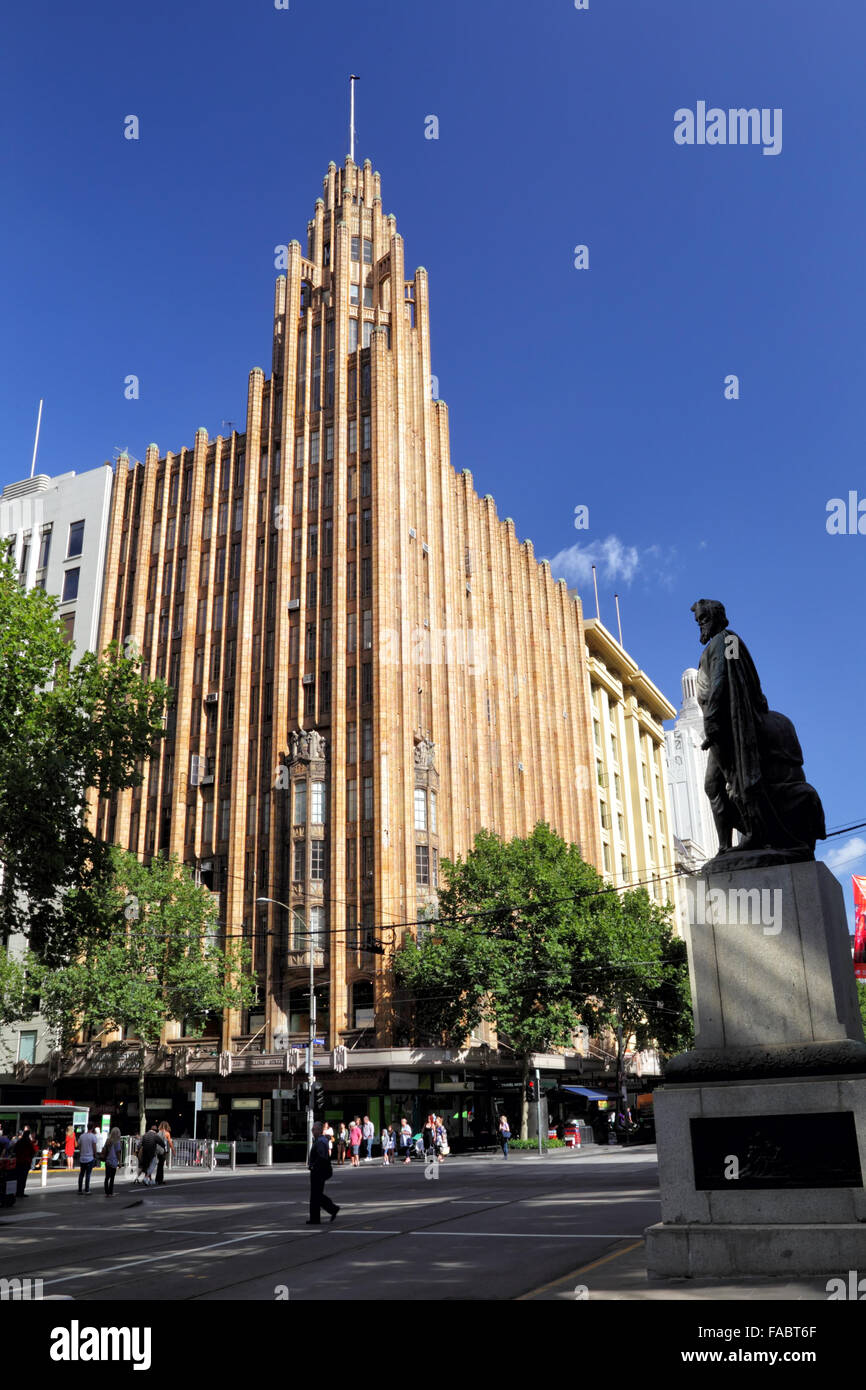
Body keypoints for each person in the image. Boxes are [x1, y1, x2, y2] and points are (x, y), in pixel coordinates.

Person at [306, 1121, 340, 1226]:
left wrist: (313, 1165)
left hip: (318, 1171)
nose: (312, 1130)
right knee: (317, 1195)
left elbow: (322, 1157)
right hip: (319, 1171)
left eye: (314, 1129)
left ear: (319, 1130)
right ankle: (331, 1210)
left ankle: (317, 1218)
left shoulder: (320, 1142)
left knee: (315, 1195)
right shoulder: (320, 1140)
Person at [77, 1122, 101, 1195]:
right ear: (92, 1128)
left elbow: (79, 1146)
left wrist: (81, 1153)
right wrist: (95, 1154)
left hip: (82, 1158)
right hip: (90, 1158)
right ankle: (87, 1190)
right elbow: (94, 1147)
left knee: (81, 1174)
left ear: (87, 1127)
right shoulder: (93, 1137)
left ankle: (80, 1190)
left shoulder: (82, 1136)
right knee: (88, 1174)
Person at [102, 1128, 123, 1196]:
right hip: (113, 1161)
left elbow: (104, 1149)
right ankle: (110, 1192)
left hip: (108, 1160)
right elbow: (118, 1153)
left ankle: (106, 1192)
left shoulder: (108, 1140)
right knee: (112, 1178)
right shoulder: (117, 1142)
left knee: (107, 1177)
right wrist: (119, 1162)